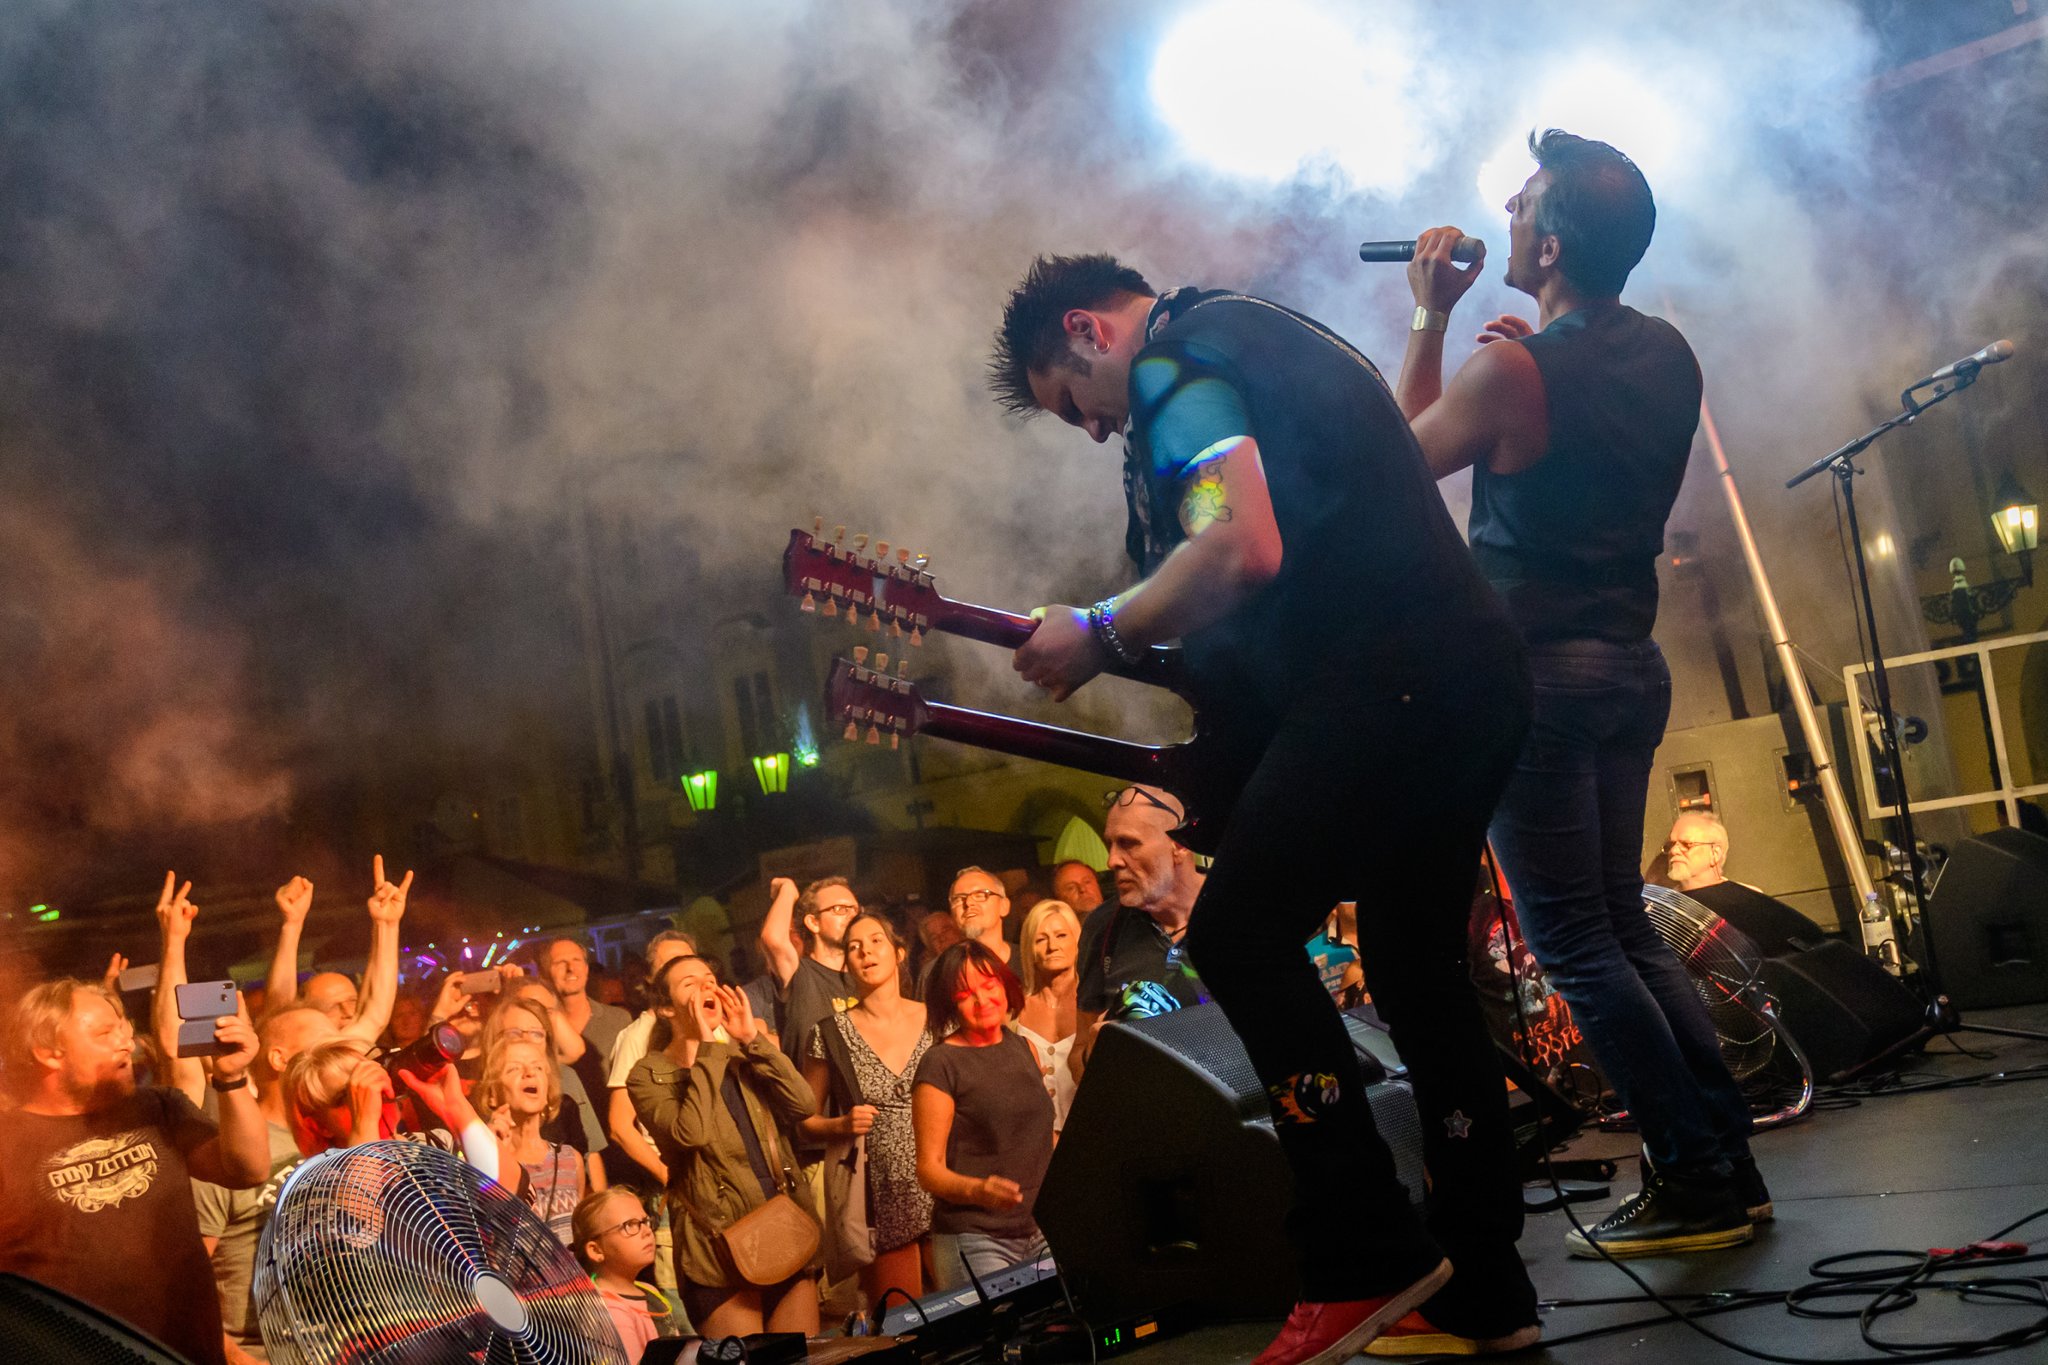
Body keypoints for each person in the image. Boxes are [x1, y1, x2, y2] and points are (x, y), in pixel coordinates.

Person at [992, 251, 1539, 1362]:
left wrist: (1097, 630)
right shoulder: (1264, 332)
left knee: (1238, 934)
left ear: (1089, 331)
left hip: (1387, 684)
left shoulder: (1175, 365)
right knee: (1416, 968)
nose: (1094, 431)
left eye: (1072, 403)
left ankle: (1361, 1250)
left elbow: (1238, 545)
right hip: (1466, 675)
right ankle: (1484, 1288)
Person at [1396, 129, 1764, 1264]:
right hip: (1627, 666)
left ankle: (1696, 1175)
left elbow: (1396, 472)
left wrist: (1431, 319)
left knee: (1575, 942)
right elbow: (1578, 427)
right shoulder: (1666, 353)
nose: (1504, 213)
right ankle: (1724, 1163)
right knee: (1620, 925)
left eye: (1520, 204)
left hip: (1537, 681)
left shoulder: (1512, 373)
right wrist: (1521, 365)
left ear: (1549, 247)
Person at [0, 976, 267, 1365]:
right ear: (48, 1053)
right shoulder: (7, 1143)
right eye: (104, 1033)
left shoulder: (159, 1108)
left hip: (189, 1355)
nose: (126, 1042)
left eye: (123, 1029)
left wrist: (231, 1078)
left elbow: (247, 1170)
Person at [626, 955, 820, 1338]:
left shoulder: (742, 1055)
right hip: (716, 1248)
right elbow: (691, 1133)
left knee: (801, 1358)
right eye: (689, 983)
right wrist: (707, 1049)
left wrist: (751, 1038)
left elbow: (804, 1104)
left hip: (781, 1226)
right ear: (666, 1008)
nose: (706, 987)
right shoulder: (649, 1074)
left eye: (710, 979)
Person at [798, 911, 934, 1309]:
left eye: (876, 941)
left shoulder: (936, 1018)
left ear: (899, 952)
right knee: (904, 1322)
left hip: (944, 1186)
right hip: (881, 1197)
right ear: (846, 963)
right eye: (854, 947)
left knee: (969, 1311)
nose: (865, 952)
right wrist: (841, 1124)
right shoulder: (829, 1033)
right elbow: (804, 1121)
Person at [195, 1005, 335, 1363]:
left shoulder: (338, 1139)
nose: (337, 1056)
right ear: (279, 1059)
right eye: (324, 1044)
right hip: (263, 1353)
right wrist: (236, 1358)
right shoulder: (229, 1150)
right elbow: (184, 1280)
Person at [912, 942, 1055, 1290]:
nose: (981, 999)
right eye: (965, 994)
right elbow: (929, 1170)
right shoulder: (941, 1063)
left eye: (989, 985)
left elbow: (1038, 1137)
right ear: (951, 1005)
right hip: (976, 1236)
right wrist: (978, 1190)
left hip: (1039, 1227)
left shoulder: (1024, 1048)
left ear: (1005, 985)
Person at [1071, 786, 1208, 1080]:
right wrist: (1094, 1055)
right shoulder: (1103, 926)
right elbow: (1079, 1053)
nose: (1112, 860)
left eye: (1128, 843)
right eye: (1110, 844)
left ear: (1180, 845)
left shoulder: (1239, 909)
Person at [262, 862, 409, 1043]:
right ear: (306, 1015)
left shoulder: (349, 1044)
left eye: (352, 1002)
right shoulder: (303, 1051)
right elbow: (280, 1011)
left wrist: (387, 924)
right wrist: (291, 925)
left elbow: (375, 1011)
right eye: (332, 1007)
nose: (348, 1013)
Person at [1663, 812, 1829, 956]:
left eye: (1687, 844)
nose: (1674, 851)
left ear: (1715, 853)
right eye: (1670, 845)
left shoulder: (1749, 899)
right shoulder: (1661, 905)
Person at [478, 1036, 583, 1243]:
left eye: (538, 1067)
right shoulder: (483, 1164)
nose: (529, 1073)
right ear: (492, 1094)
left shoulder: (571, 1160)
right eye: (514, 1068)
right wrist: (491, 1157)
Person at [759, 875, 861, 1068]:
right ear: (813, 922)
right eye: (839, 909)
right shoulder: (799, 974)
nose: (851, 916)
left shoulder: (864, 977)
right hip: (811, 1087)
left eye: (855, 909)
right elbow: (773, 939)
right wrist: (788, 889)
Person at [573, 1188, 677, 1362]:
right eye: (630, 1225)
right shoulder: (609, 1311)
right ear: (596, 1250)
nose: (647, 1231)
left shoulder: (648, 1290)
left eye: (645, 1221)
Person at [543, 937, 634, 1107]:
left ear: (586, 969)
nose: (570, 968)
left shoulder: (618, 1020)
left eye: (576, 960)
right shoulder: (539, 1027)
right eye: (561, 963)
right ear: (546, 973)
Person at [1013, 899, 1081, 1129]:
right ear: (1028, 948)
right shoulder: (1013, 1012)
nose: (1052, 946)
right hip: (1033, 1137)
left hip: (1092, 1133)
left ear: (1077, 940)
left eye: (1061, 935)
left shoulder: (1093, 1005)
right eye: (1041, 939)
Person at [945, 867, 1016, 967]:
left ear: (1004, 906)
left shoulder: (1029, 960)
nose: (969, 903)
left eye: (980, 895)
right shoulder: (939, 970)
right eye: (959, 899)